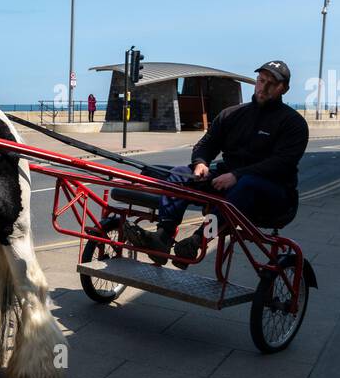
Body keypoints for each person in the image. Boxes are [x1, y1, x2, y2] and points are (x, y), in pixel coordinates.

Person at [129, 60, 308, 266]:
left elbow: (281, 164)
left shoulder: (293, 123)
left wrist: (236, 176)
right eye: (261, 80)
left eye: (271, 83)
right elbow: (206, 144)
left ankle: (198, 241)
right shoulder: (232, 114)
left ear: (283, 89)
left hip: (274, 193)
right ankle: (163, 237)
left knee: (245, 186)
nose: (263, 87)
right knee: (179, 173)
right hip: (228, 181)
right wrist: (200, 163)